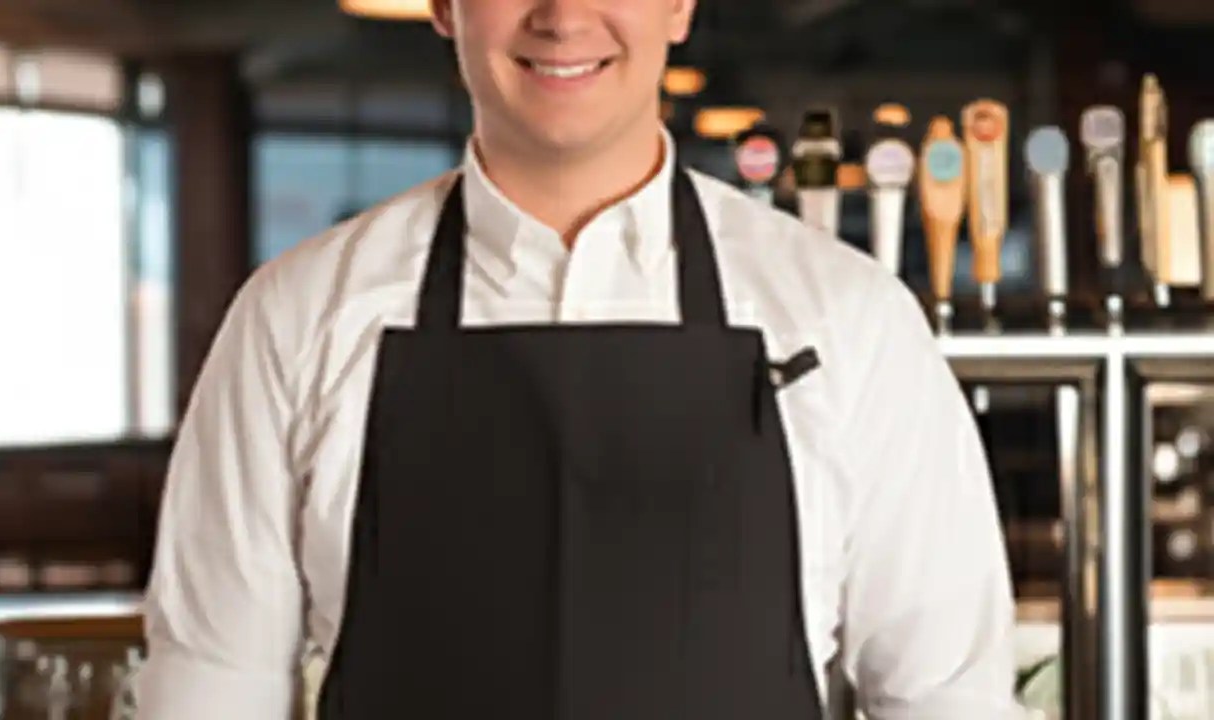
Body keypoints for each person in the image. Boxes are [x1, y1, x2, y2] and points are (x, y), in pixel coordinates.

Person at [136, 0, 1022, 718]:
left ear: (680, 5)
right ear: (443, 7)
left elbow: (946, 699)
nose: (562, 17)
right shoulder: (296, 319)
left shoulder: (850, 320)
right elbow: (211, 689)